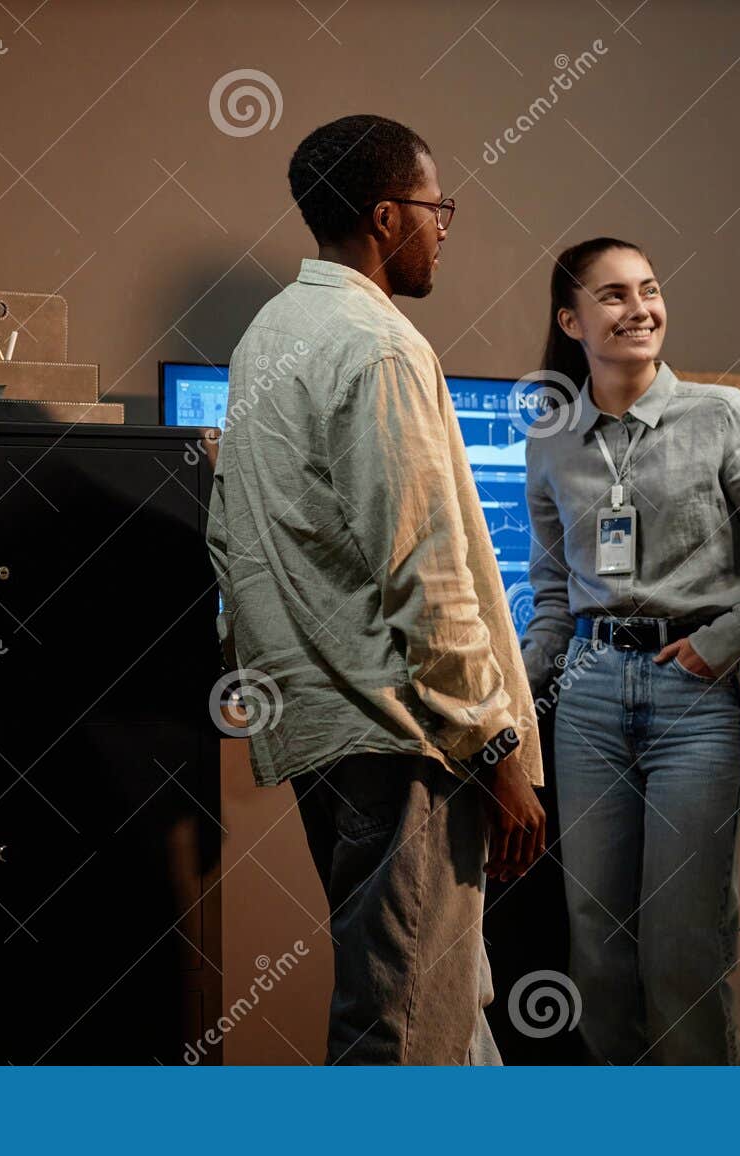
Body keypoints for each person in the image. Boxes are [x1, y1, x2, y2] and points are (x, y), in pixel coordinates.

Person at [204, 114, 547, 1065]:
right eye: (439, 209)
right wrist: (498, 746)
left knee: (444, 1006)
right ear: (388, 217)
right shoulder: (381, 347)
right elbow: (428, 577)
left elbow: (229, 536)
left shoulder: (269, 334)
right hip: (410, 739)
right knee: (406, 1030)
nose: (446, 228)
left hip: (329, 729)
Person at [520, 237, 740, 1064]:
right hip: (584, 698)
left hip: (692, 695)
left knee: (683, 949)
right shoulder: (550, 439)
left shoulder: (720, 416)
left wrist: (720, 646)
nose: (640, 309)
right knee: (596, 947)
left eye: (650, 290)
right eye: (614, 296)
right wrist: (515, 700)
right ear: (571, 319)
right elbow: (552, 593)